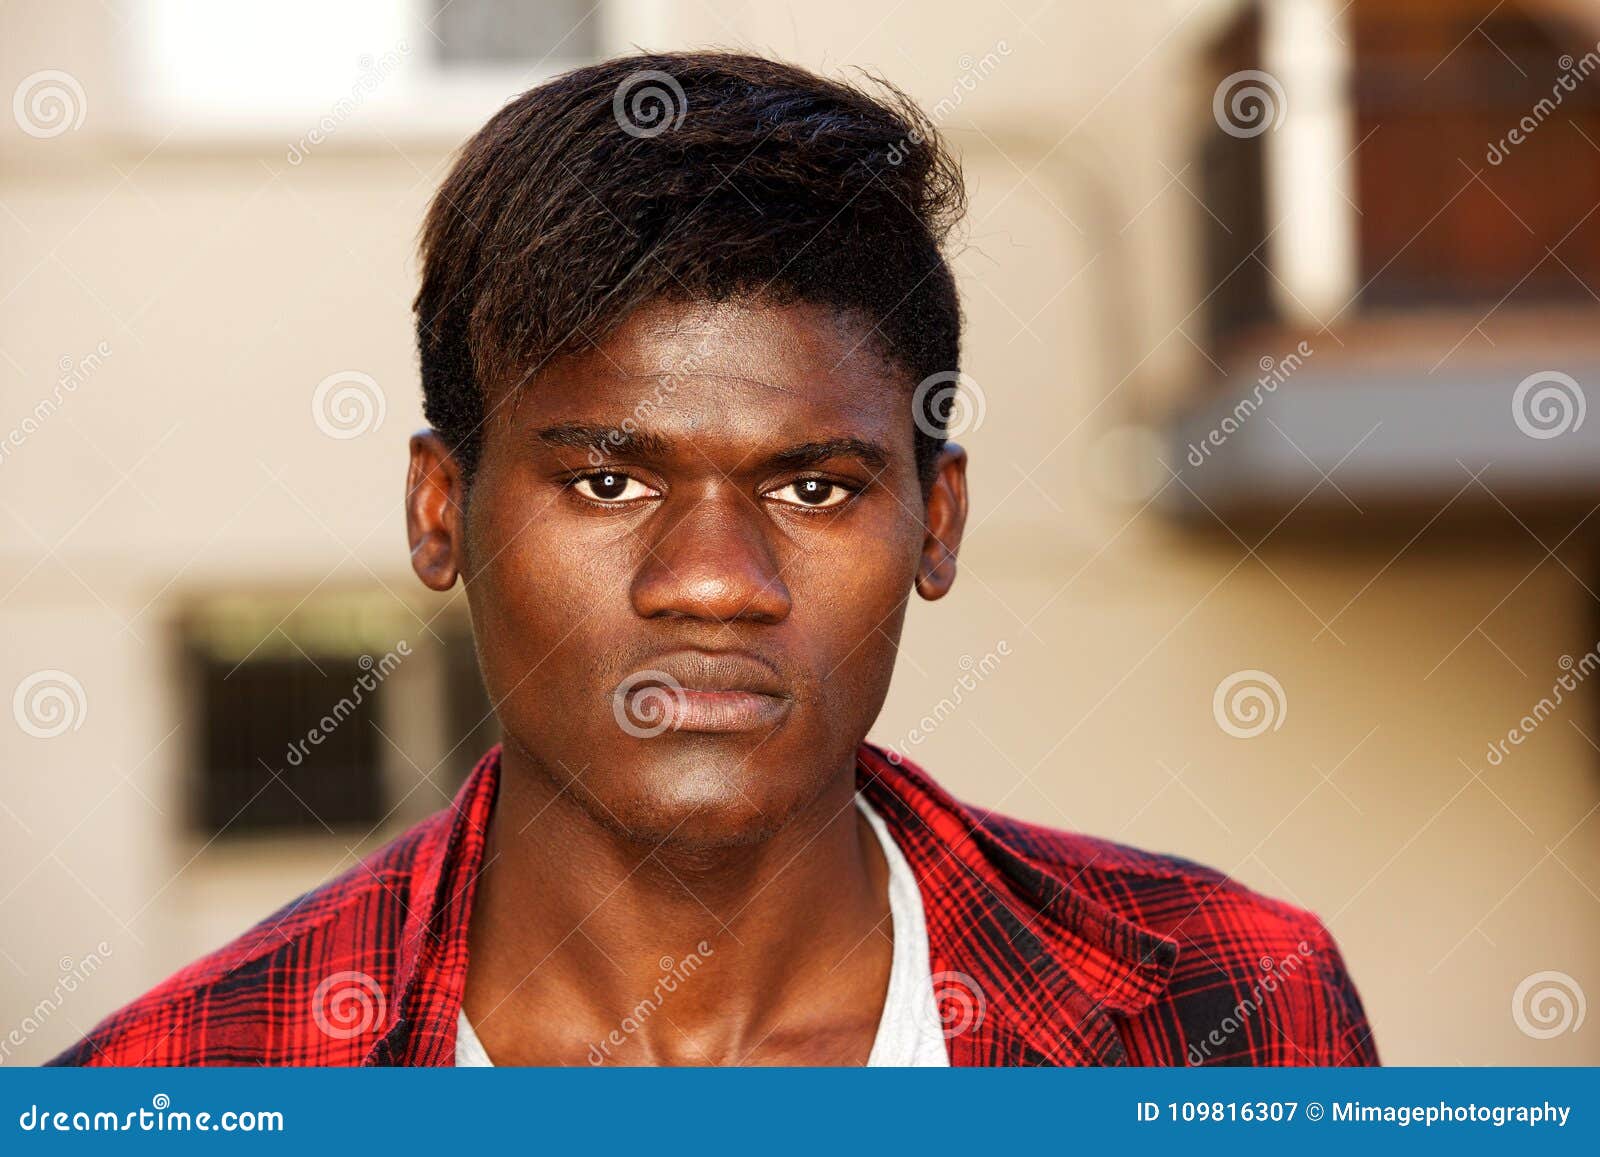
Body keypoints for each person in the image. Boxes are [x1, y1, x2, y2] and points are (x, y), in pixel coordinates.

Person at [51, 51, 1376, 1067]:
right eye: (608, 480)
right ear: (439, 509)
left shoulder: (1228, 1009)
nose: (712, 578)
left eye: (814, 484)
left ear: (939, 517)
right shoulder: (179, 1081)